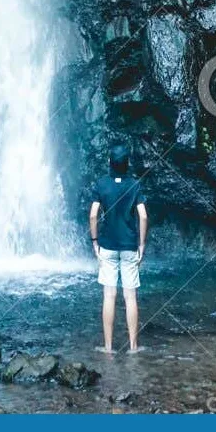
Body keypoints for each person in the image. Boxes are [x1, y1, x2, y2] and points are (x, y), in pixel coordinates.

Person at [89, 141, 148, 353]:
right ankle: (133, 346)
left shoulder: (101, 185)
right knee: (130, 297)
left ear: (109, 162)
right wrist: (141, 244)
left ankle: (108, 347)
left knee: (109, 296)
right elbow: (143, 215)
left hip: (107, 245)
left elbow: (94, 214)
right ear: (127, 163)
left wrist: (95, 242)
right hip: (129, 245)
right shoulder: (134, 184)